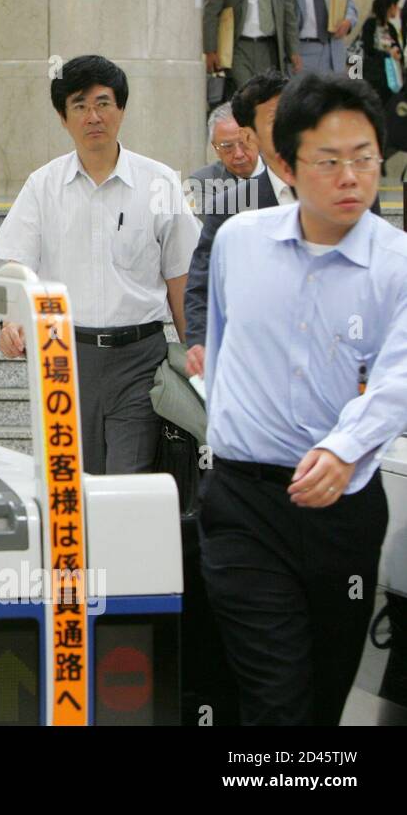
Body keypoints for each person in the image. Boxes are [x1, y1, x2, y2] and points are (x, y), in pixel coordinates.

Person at [200, 72, 407, 725]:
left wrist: (344, 450)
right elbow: (220, 344)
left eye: (365, 158)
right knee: (275, 696)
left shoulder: (397, 262)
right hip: (244, 506)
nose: (352, 176)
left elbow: (401, 374)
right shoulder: (240, 241)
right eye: (330, 160)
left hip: (342, 512)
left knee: (322, 698)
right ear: (285, 164)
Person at [0, 55, 198, 475]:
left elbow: (180, 278)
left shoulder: (159, 183)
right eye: (79, 106)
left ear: (121, 109)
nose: (93, 116)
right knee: (70, 482)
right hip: (65, 357)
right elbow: (17, 267)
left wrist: (195, 348)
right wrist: (9, 323)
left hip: (140, 360)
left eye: (103, 103)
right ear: (63, 118)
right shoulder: (42, 186)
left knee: (128, 480)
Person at [185, 71, 290, 371]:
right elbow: (201, 284)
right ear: (249, 134)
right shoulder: (229, 204)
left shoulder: (339, 192)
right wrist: (201, 344)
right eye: (274, 119)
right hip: (255, 366)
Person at [189, 102, 262, 216]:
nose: (238, 154)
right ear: (216, 148)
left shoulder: (282, 169)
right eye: (227, 146)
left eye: (244, 143)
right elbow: (212, 224)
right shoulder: (204, 180)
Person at [359, 0, 403, 105]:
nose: (398, 9)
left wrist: (398, 55)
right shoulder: (370, 24)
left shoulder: (391, 28)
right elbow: (368, 49)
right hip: (374, 75)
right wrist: (388, 54)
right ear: (391, 6)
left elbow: (397, 49)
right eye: (396, 6)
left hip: (391, 76)